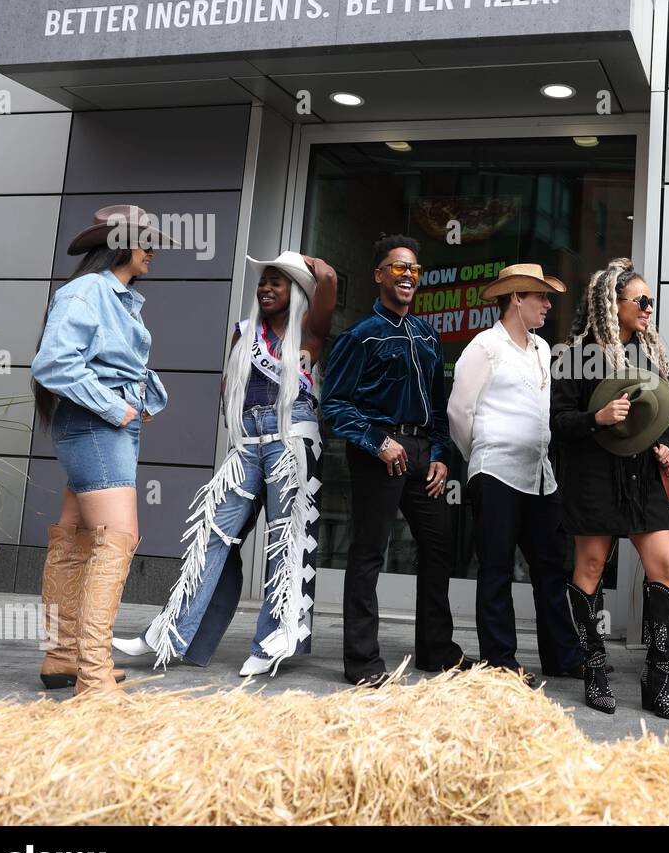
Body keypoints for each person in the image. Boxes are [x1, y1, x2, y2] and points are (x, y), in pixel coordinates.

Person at [114, 251, 337, 676]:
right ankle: (167, 634)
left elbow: (327, 277)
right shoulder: (245, 331)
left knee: (284, 541)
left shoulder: (308, 330)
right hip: (248, 443)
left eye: (278, 280)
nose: (267, 287)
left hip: (293, 439)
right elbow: (229, 386)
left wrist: (301, 259)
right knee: (212, 535)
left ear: (296, 291)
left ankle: (272, 641)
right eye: (264, 281)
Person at [30, 205, 170, 696]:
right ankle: (93, 673)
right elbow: (53, 364)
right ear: (121, 243)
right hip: (95, 428)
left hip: (95, 427)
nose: (154, 249)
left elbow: (114, 362)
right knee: (118, 537)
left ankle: (63, 656)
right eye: (146, 240)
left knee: (76, 539)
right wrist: (114, 407)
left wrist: (140, 399)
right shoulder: (87, 292)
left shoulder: (119, 296)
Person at [323, 234, 469, 685]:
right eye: (399, 268)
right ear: (379, 275)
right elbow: (334, 405)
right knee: (368, 553)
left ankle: (435, 649)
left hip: (423, 452)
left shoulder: (427, 335)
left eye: (414, 270)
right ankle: (363, 661)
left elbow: (440, 405)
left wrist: (441, 454)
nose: (408, 276)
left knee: (439, 548)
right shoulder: (359, 336)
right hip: (378, 452)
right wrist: (377, 441)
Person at [550, 257, 669, 722]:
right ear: (612, 304)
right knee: (590, 566)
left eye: (652, 301)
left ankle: (660, 682)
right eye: (641, 300)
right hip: (593, 477)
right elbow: (558, 423)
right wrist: (598, 419)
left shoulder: (650, 356)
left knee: (666, 567)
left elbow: (661, 415)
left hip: (643, 479)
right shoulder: (574, 356)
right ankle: (594, 671)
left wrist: (667, 447)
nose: (649, 308)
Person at [448, 264, 584, 684]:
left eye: (548, 297)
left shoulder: (543, 349)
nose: (547, 304)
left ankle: (563, 657)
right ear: (515, 299)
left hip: (540, 476)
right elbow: (458, 412)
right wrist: (482, 457)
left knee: (550, 568)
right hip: (496, 473)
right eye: (540, 297)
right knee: (497, 568)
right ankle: (501, 663)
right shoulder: (484, 347)